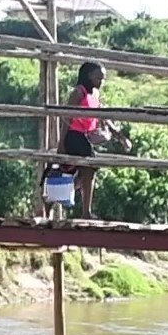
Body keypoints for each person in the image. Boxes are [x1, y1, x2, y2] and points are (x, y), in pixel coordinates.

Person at [59, 61, 114, 218]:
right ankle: (86, 212)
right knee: (89, 169)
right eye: (98, 78)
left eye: (103, 79)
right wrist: (61, 143)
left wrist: (116, 134)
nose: (101, 82)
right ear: (89, 76)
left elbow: (102, 114)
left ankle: (62, 196)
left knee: (85, 174)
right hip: (75, 136)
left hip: (86, 137)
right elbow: (66, 119)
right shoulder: (78, 92)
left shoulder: (95, 94)